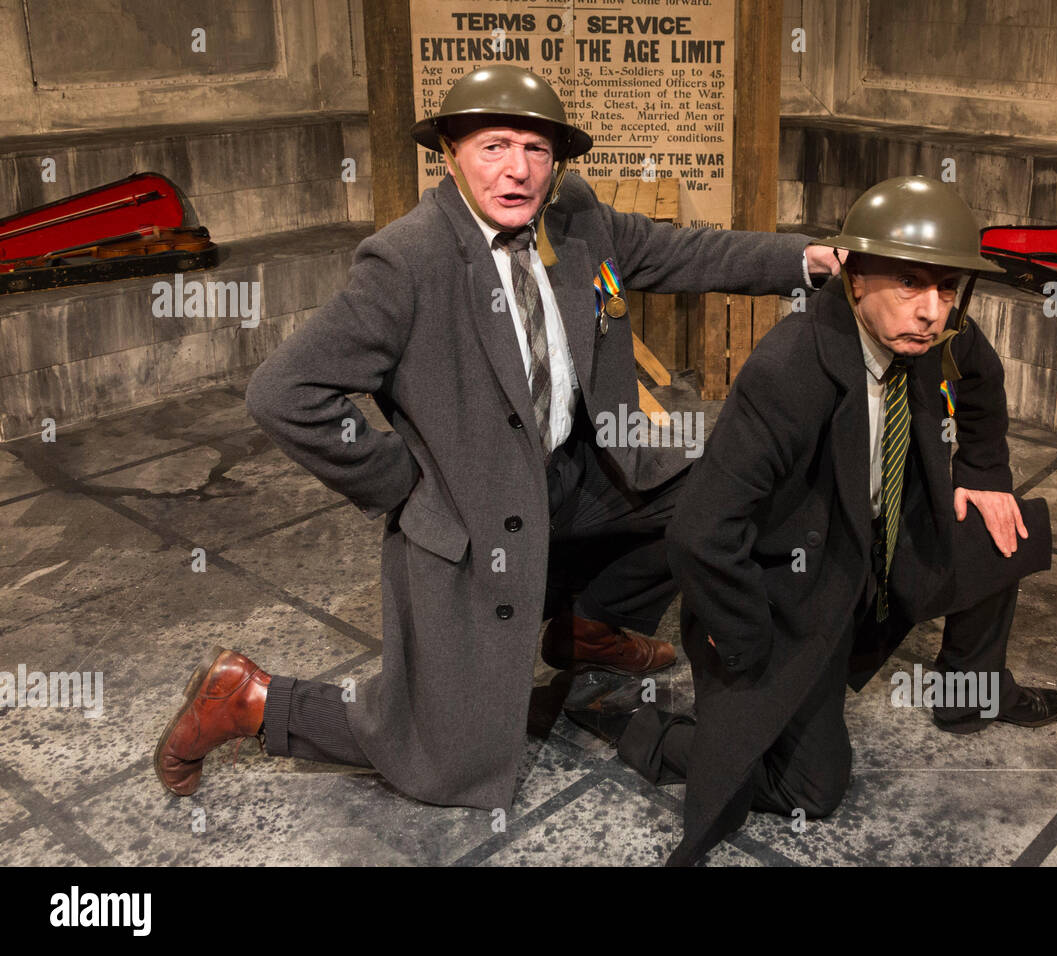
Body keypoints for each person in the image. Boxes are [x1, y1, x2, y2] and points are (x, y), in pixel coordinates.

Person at [153, 65, 841, 812]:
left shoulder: (573, 214)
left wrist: (805, 261)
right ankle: (248, 700)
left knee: (718, 494)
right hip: (475, 519)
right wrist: (405, 485)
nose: (519, 169)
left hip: (579, 475)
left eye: (538, 150)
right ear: (450, 150)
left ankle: (589, 626)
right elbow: (284, 393)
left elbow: (683, 253)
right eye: (495, 146)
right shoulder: (406, 260)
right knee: (449, 757)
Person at [618, 175, 1057, 866]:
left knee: (1006, 528)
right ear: (855, 278)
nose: (931, 309)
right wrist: (745, 644)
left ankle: (968, 690)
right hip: (804, 586)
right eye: (911, 284)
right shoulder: (791, 367)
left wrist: (982, 475)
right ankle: (651, 730)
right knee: (813, 789)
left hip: (891, 549)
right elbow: (701, 532)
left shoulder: (935, 333)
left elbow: (980, 380)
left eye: (947, 289)